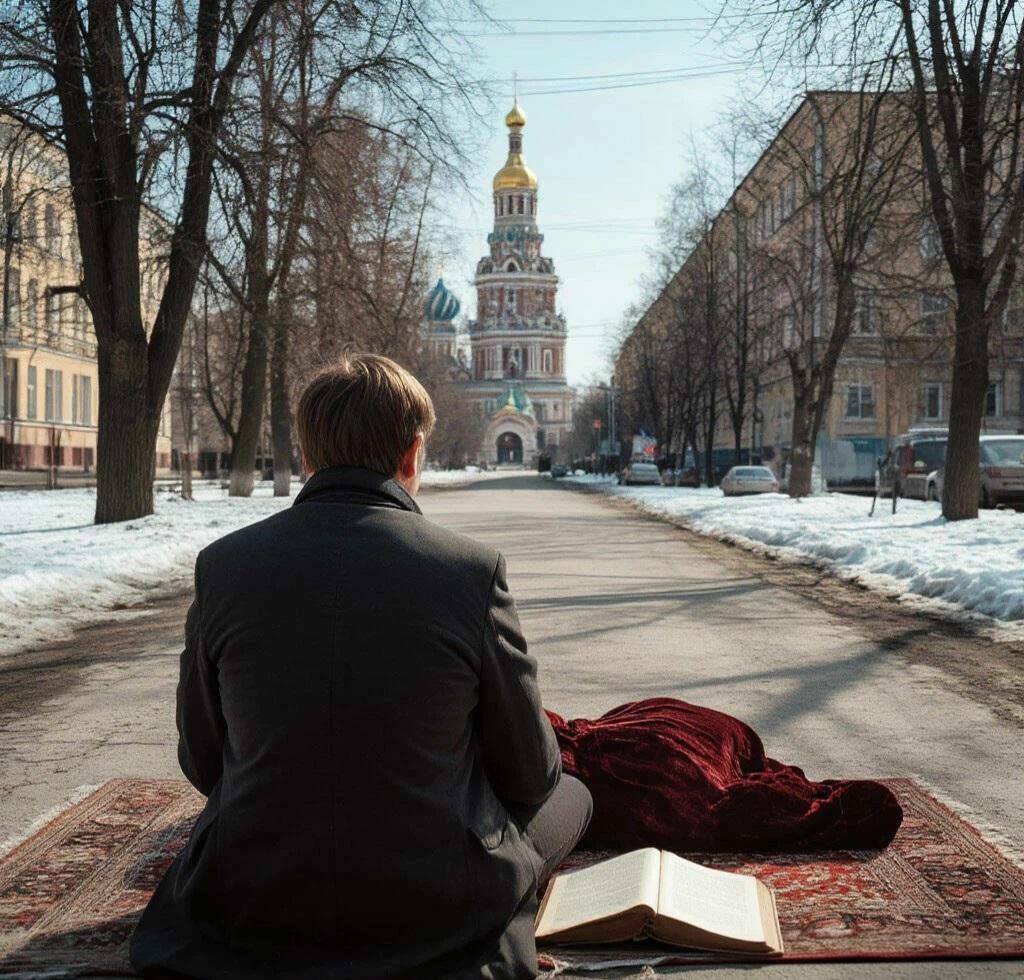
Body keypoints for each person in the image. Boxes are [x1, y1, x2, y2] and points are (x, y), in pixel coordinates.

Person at [131, 354, 592, 980]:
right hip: (435, 905)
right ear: (413, 455)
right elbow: (531, 773)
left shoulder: (225, 565)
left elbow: (204, 759)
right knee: (573, 794)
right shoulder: (469, 570)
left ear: (306, 456)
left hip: (256, 894)